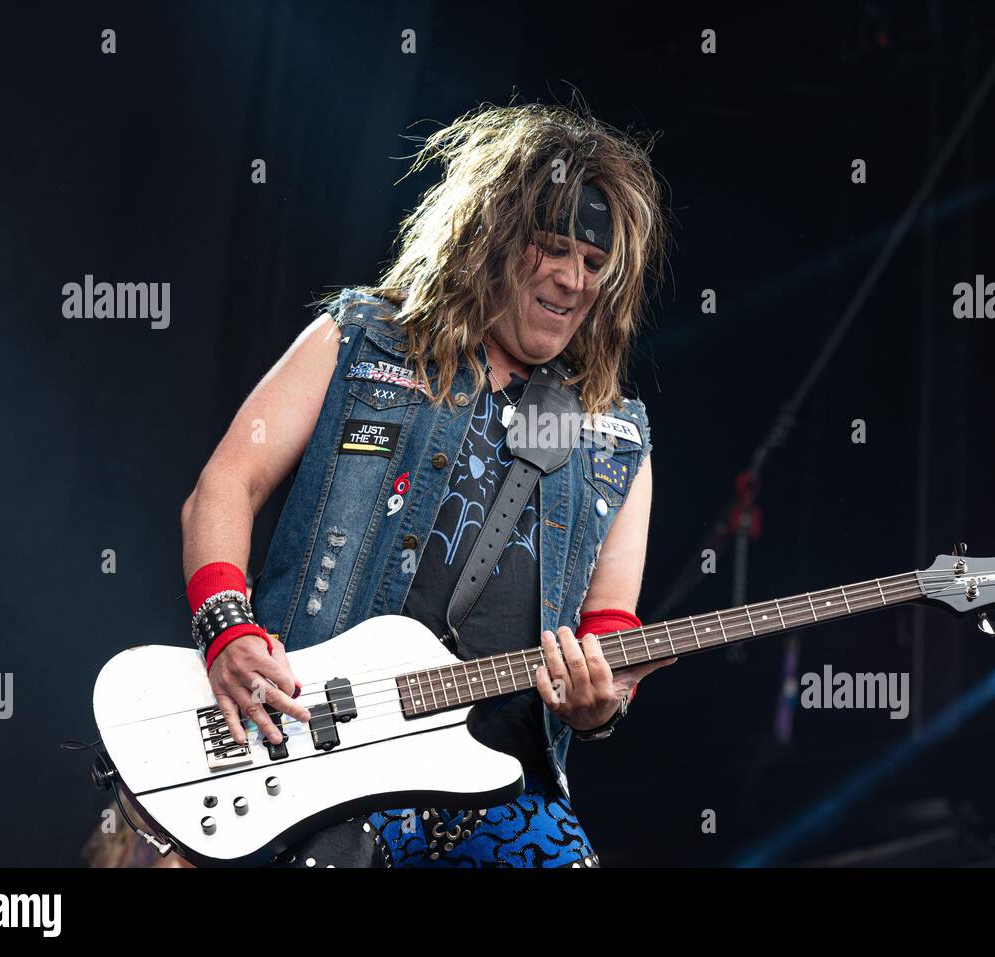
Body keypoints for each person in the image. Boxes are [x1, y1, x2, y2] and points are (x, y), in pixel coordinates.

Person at [180, 102, 671, 867]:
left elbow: (609, 627)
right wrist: (228, 633)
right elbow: (224, 485)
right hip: (318, 760)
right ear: (491, 237)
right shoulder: (362, 341)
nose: (574, 280)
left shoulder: (609, 435)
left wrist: (601, 702)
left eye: (594, 264)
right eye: (553, 249)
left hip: (500, 793)